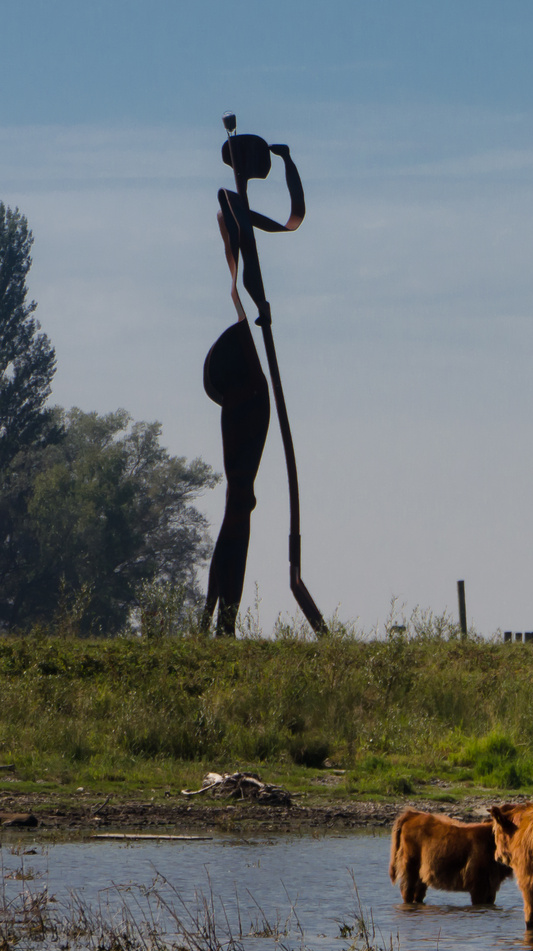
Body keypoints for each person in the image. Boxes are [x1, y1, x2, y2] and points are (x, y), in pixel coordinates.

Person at [200, 122, 305, 635]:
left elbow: (289, 222)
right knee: (239, 500)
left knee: (239, 501)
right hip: (242, 367)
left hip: (244, 364)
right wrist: (258, 303)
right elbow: (245, 248)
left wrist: (288, 165)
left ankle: (216, 618)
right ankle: (220, 618)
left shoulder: (236, 205)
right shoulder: (229, 201)